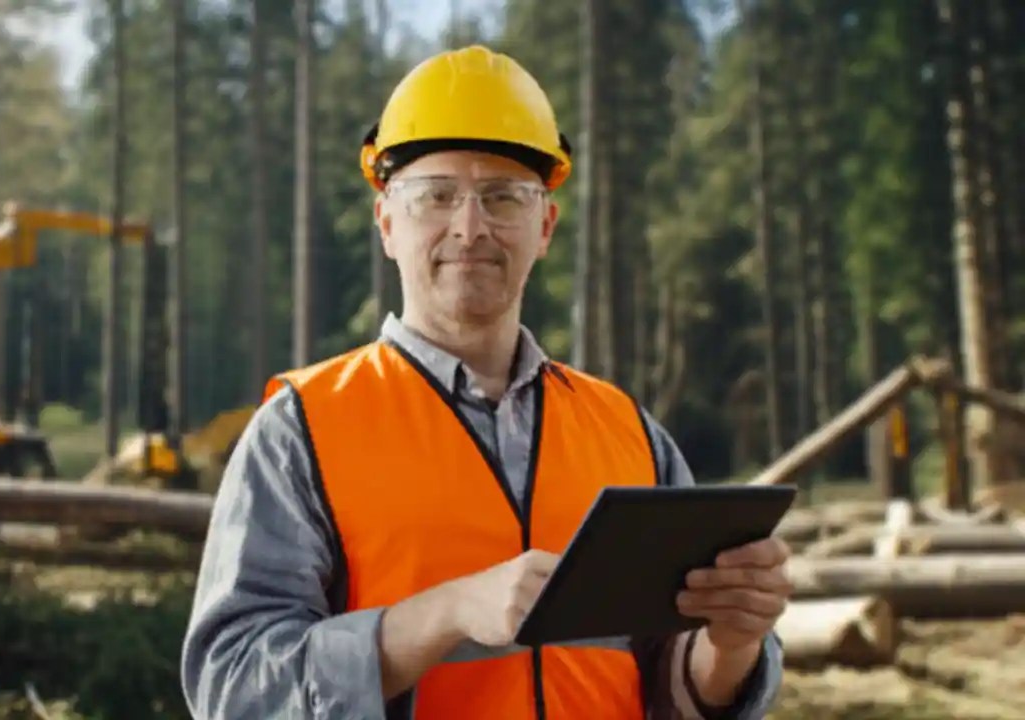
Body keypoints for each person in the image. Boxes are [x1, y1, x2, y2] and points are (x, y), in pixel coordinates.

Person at [180, 44, 791, 719]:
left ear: (545, 226)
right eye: (436, 196)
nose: (469, 228)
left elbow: (665, 681)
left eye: (502, 197)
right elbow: (233, 689)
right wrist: (443, 613)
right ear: (387, 223)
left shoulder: (628, 433)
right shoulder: (304, 429)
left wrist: (731, 645)